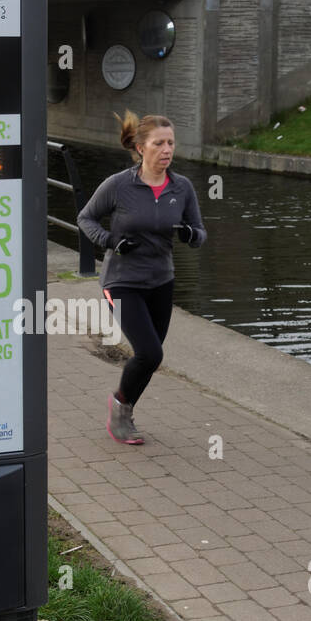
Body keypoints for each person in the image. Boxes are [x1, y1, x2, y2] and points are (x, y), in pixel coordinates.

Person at [76, 111, 207, 445]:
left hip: (161, 280)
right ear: (140, 147)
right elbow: (86, 217)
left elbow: (201, 232)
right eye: (159, 143)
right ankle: (120, 411)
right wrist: (109, 241)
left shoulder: (182, 187)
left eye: (171, 143)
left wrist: (193, 235)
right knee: (151, 353)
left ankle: (125, 407)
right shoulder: (119, 185)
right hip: (121, 281)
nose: (167, 150)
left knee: (148, 356)